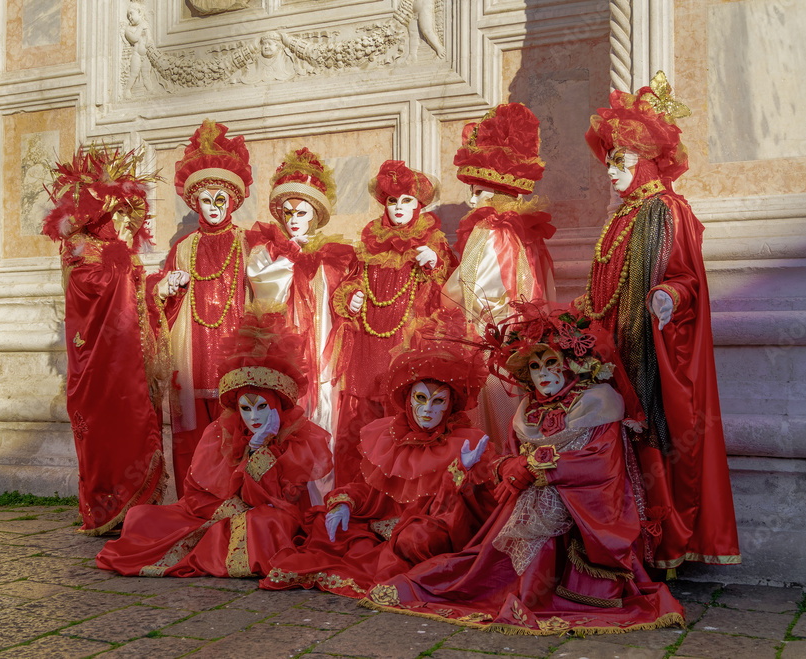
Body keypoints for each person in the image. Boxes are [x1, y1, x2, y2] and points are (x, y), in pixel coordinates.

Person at [362, 303, 684, 636]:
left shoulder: (597, 404)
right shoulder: (527, 411)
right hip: (526, 499)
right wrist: (515, 467)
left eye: (550, 363)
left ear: (570, 365)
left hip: (585, 509)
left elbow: (602, 463)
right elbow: (505, 459)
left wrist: (545, 472)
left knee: (538, 517)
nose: (543, 374)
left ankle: (541, 590)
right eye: (534, 366)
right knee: (485, 555)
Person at [577, 71, 740, 570]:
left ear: (645, 160)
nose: (610, 171)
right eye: (609, 161)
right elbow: (602, 289)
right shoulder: (621, 216)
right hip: (612, 351)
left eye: (620, 161)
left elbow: (686, 276)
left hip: (648, 350)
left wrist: (669, 297)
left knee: (650, 436)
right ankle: (621, 542)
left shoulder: (668, 210)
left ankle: (661, 547)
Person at [263, 312, 495, 597]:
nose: (428, 410)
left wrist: (461, 472)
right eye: (420, 399)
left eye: (439, 402)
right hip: (379, 527)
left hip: (424, 529)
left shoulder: (467, 443)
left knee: (419, 540)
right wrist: (345, 504)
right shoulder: (390, 437)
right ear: (407, 399)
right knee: (328, 525)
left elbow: (467, 514)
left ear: (451, 405)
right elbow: (368, 490)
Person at [96, 308, 333, 577]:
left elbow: (277, 500)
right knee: (142, 518)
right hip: (220, 514)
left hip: (270, 515)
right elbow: (195, 495)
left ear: (278, 405)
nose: (254, 417)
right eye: (246, 408)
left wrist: (259, 451)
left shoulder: (299, 439)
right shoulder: (219, 434)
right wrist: (229, 508)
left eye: (263, 406)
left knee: (265, 524)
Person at [42, 145, 167, 536]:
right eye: (115, 214)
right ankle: (106, 507)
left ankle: (138, 505)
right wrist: (122, 269)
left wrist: (153, 287)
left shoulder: (116, 252)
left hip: (126, 362)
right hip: (99, 368)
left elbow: (133, 292)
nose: (124, 223)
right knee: (103, 428)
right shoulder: (81, 255)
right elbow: (93, 294)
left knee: (130, 420)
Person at [330, 160, 456, 486]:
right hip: (368, 348)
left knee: (404, 414)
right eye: (392, 201)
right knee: (364, 417)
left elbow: (453, 295)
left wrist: (437, 264)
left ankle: (401, 493)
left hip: (409, 347)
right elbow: (353, 281)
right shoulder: (370, 244)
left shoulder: (433, 241)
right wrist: (353, 296)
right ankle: (361, 493)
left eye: (406, 200)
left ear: (419, 204)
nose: (398, 207)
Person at [443, 102, 557, 449]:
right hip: (525, 348)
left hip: (492, 351)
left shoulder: (491, 229)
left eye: (476, 191)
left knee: (494, 429)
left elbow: (471, 295)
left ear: (494, 190)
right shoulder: (527, 230)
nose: (470, 200)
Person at [150, 120, 255, 498]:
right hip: (191, 354)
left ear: (232, 201)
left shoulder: (248, 242)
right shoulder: (182, 248)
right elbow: (162, 302)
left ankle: (239, 501)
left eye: (220, 200)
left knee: (240, 426)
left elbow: (265, 296)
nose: (213, 208)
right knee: (192, 432)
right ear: (195, 203)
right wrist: (166, 289)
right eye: (206, 201)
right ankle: (195, 503)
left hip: (236, 353)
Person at [246, 148, 354, 442]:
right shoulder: (266, 251)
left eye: (301, 212)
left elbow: (342, 300)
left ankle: (326, 487)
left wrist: (351, 300)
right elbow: (266, 293)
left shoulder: (331, 257)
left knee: (324, 419)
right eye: (288, 212)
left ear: (315, 216)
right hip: (286, 355)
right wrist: (290, 254)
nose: (294, 219)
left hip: (323, 357)